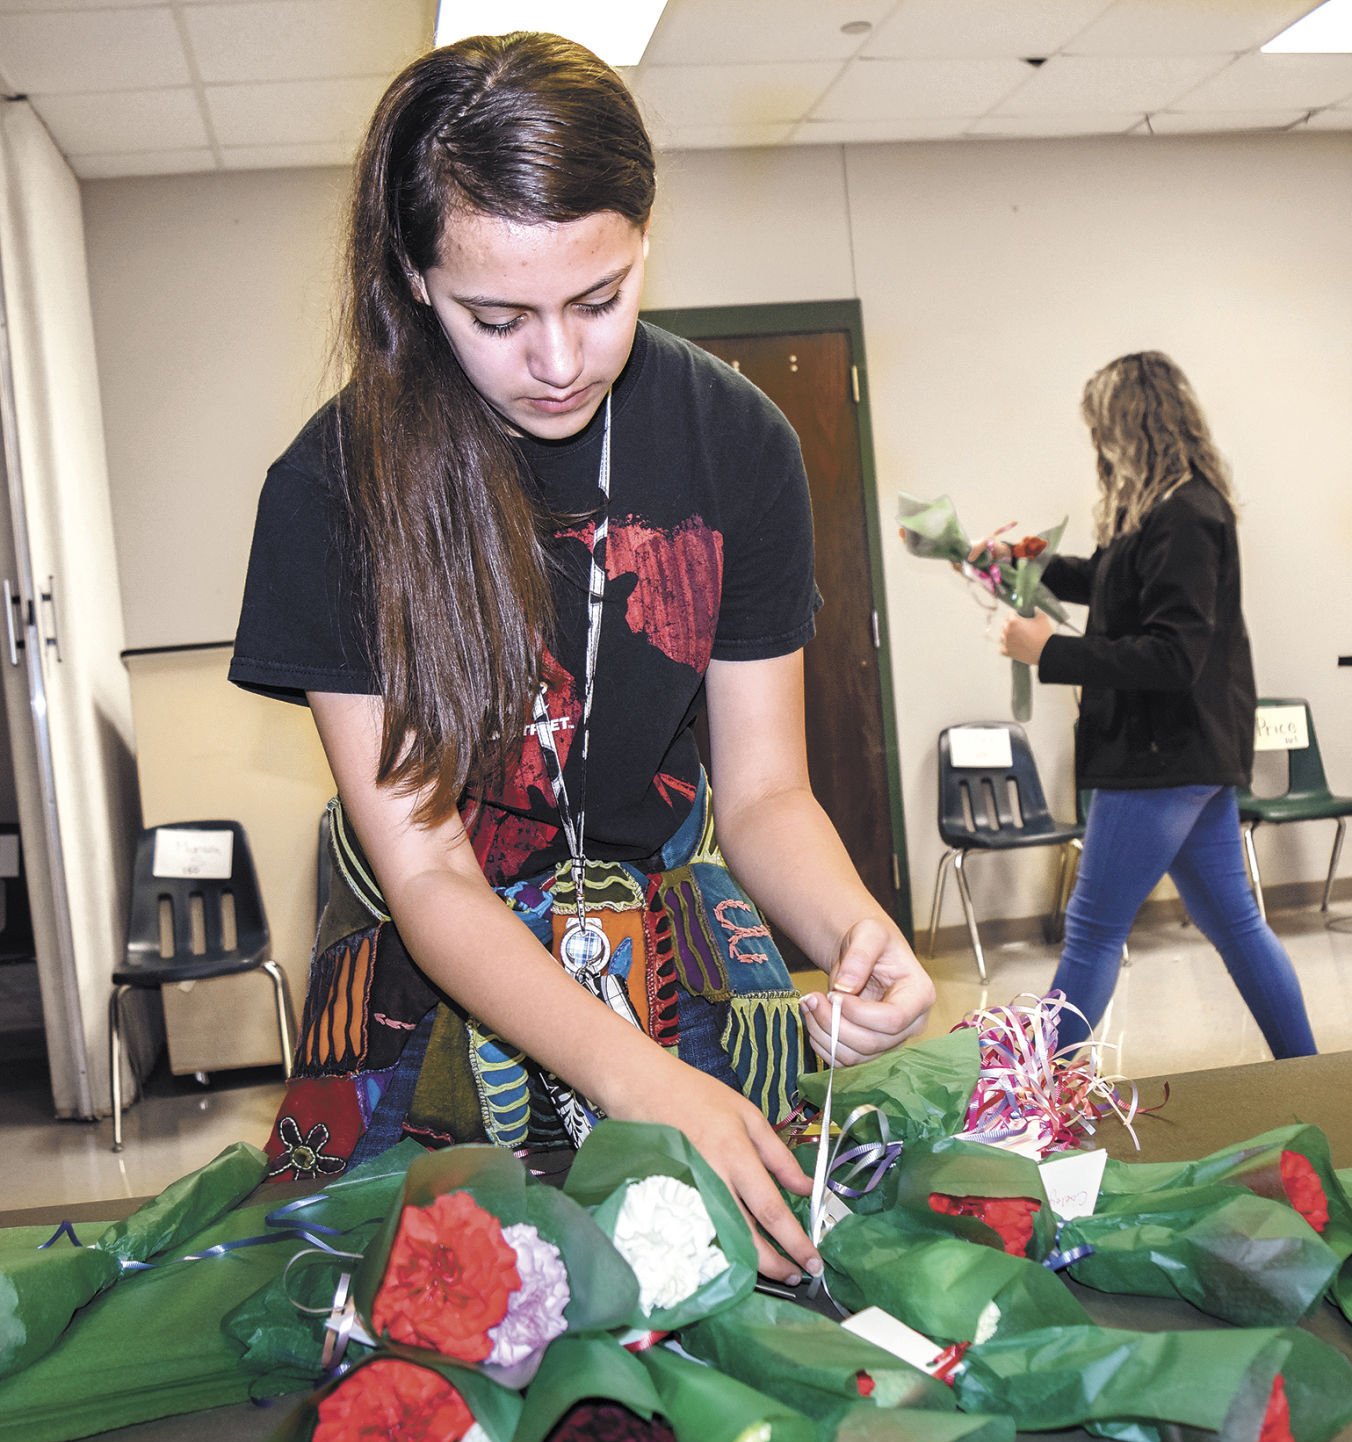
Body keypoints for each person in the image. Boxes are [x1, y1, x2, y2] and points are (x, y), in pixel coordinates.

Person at [229, 32, 934, 1282]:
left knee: (750, 1272)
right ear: (414, 279)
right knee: (436, 1305)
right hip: (437, 969)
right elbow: (429, 873)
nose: (558, 363)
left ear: (644, 240)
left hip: (664, 928)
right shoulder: (333, 490)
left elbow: (764, 791)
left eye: (597, 301)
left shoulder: (738, 445)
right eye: (496, 317)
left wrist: (853, 926)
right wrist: (636, 1079)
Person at [994, 351, 1316, 1059]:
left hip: (1162, 757)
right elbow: (1109, 583)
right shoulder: (1159, 513)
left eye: (1100, 427)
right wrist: (1025, 562)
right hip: (1183, 754)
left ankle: (1026, 1095)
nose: (1096, 443)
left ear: (1129, 425)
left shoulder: (1185, 515)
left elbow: (1173, 656)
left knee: (1093, 931)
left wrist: (1048, 651)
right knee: (1234, 923)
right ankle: (1308, 1072)